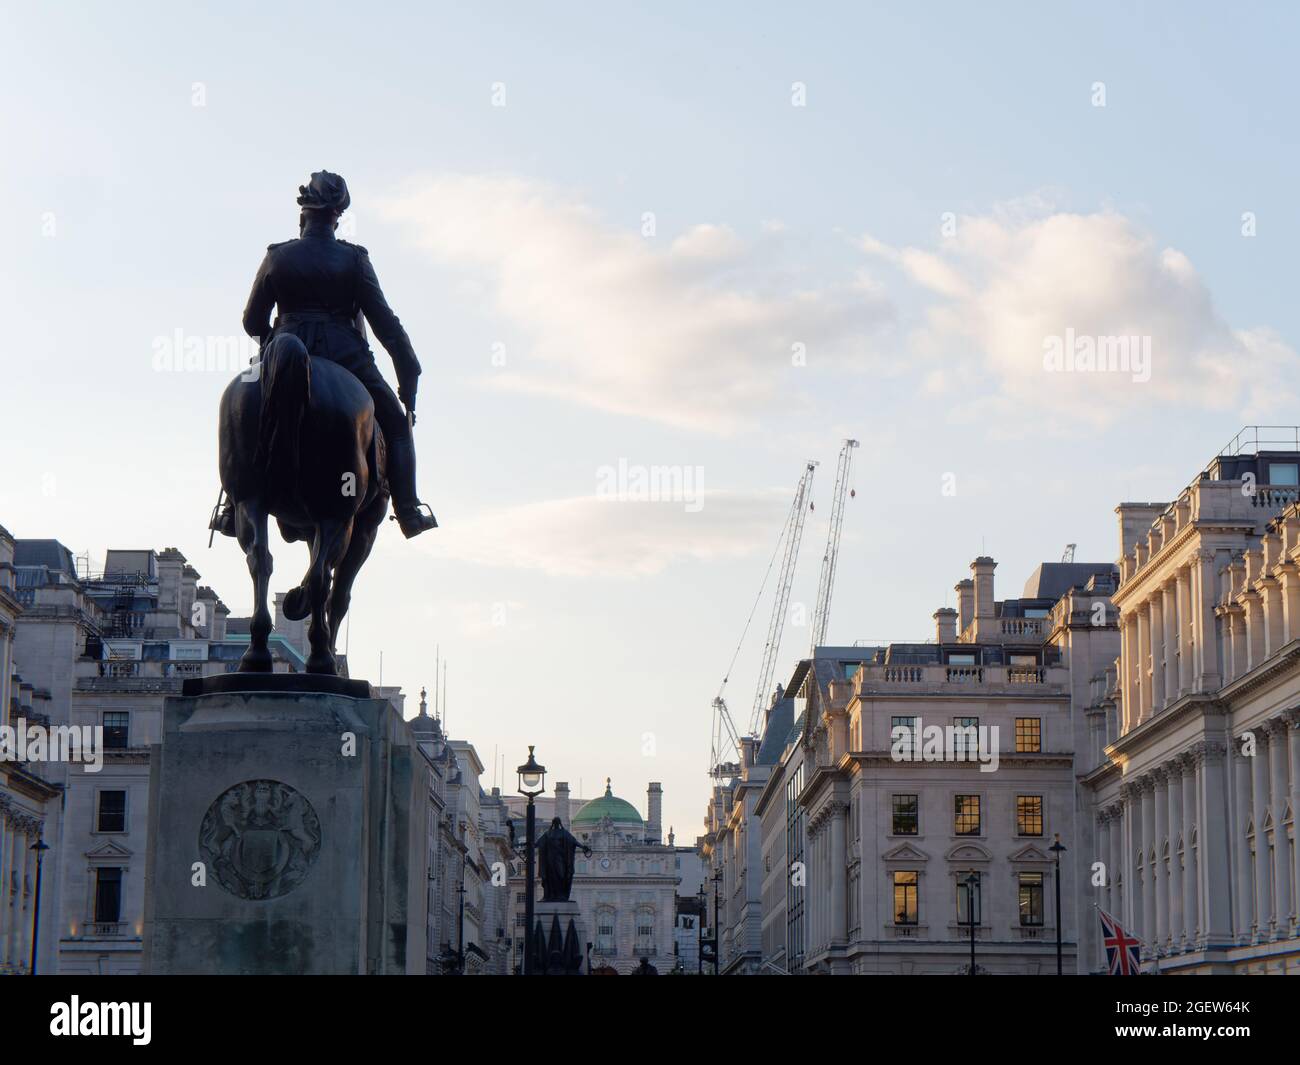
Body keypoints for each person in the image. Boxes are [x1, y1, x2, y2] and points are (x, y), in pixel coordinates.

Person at [210, 170, 437, 539]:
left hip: (283, 346)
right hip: (346, 357)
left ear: (304, 214)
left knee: (241, 413)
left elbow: (252, 321)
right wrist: (408, 376)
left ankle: (232, 505)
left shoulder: (277, 257)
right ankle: (409, 509)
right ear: (337, 216)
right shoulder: (355, 260)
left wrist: (273, 342)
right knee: (396, 426)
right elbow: (387, 327)